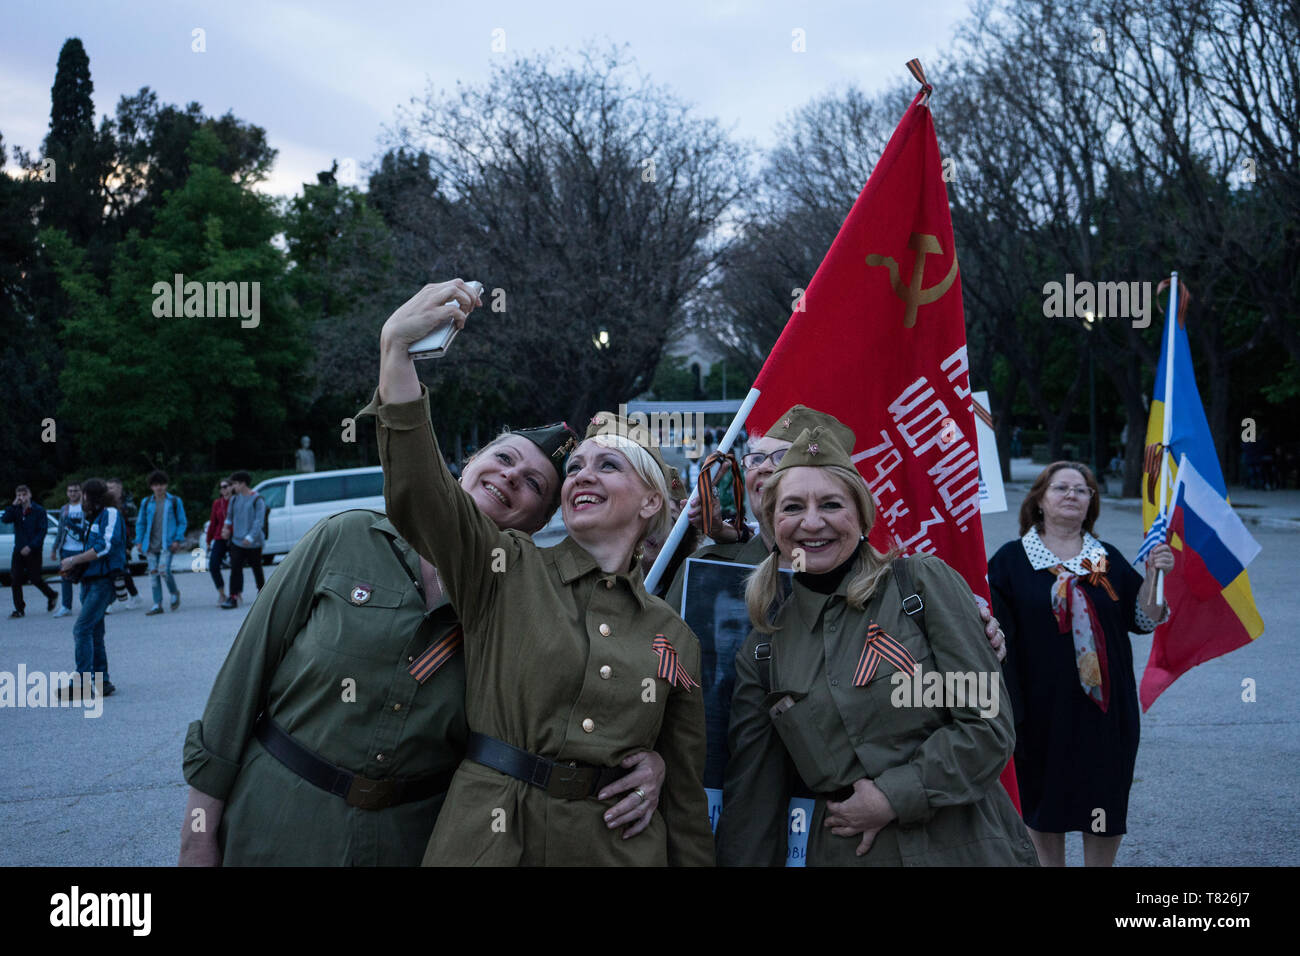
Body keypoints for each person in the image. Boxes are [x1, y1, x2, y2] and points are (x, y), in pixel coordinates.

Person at [181, 423, 668, 865]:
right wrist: (198, 833)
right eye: (502, 458)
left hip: (411, 838)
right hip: (280, 817)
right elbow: (241, 680)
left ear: (538, 524)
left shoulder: (528, 605)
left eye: (536, 483)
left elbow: (566, 715)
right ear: (470, 462)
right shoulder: (345, 538)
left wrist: (647, 761)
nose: (512, 475)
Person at [368, 278, 714, 866]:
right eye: (575, 468)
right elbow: (426, 494)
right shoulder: (507, 565)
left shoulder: (673, 635)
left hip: (615, 850)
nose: (582, 476)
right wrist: (397, 355)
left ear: (651, 503)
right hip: (489, 839)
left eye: (608, 466)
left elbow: (682, 791)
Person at [716, 426, 1037, 866]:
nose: (812, 522)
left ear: (862, 518)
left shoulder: (921, 585)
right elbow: (754, 796)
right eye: (793, 508)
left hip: (965, 847)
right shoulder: (764, 649)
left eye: (831, 504)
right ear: (773, 525)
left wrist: (892, 796)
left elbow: (988, 727)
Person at [988, 461, 1172, 867]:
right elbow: (992, 636)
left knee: (1103, 798)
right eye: (1061, 488)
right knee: (1042, 802)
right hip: (1037, 710)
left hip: (1105, 712)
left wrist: (1155, 578)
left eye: (1082, 489)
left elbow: (1145, 619)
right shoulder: (1010, 561)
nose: (1072, 494)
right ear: (1039, 501)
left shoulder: (1104, 559)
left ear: (1091, 503)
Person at [57, 478, 126, 699]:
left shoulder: (111, 514)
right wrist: (76, 567)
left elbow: (105, 545)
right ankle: (101, 681)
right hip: (91, 581)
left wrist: (74, 560)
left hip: (103, 582)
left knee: (82, 629)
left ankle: (83, 683)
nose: (82, 499)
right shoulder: (95, 516)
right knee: (95, 632)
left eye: (85, 495)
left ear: (92, 496)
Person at [135, 470, 186, 615]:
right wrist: (139, 541)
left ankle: (174, 592)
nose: (159, 487)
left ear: (166, 485)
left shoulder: (174, 501)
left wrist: (177, 539)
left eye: (162, 484)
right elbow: (141, 523)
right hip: (150, 545)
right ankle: (157, 604)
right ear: (151, 486)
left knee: (164, 570)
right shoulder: (146, 503)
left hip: (167, 544)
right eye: (156, 485)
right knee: (153, 574)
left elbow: (182, 522)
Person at [4, 485, 57, 618]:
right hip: (18, 550)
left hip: (33, 550)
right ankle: (19, 609)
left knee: (35, 578)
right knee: (15, 579)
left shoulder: (38, 510)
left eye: (24, 494)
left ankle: (51, 595)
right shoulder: (16, 510)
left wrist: (31, 546)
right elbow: (5, 519)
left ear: (30, 495)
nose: (22, 497)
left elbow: (42, 531)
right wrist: (13, 505)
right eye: (19, 495)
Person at [220, 472, 267, 609]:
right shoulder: (234, 499)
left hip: (254, 542)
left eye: (235, 483)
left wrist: (250, 537)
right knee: (235, 568)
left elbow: (259, 521)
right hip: (237, 541)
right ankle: (233, 597)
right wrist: (226, 528)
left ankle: (263, 594)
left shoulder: (257, 499)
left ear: (243, 483)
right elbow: (229, 517)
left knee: (257, 569)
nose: (232, 486)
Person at [50, 481, 87, 618]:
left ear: (81, 492)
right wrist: (54, 548)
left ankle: (86, 606)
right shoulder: (64, 509)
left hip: (82, 550)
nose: (73, 493)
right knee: (65, 579)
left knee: (85, 579)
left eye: (75, 490)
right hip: (66, 549)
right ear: (67, 493)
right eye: (70, 491)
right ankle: (66, 606)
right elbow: (60, 530)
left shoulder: (85, 507)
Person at [105, 479, 142, 610]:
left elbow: (135, 527)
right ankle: (134, 595)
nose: (109, 490)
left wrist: (129, 546)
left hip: (123, 544)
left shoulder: (128, 506)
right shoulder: (105, 505)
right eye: (107, 487)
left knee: (118, 572)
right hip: (110, 544)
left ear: (119, 489)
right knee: (120, 572)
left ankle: (110, 601)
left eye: (112, 487)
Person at [205, 479, 233, 605]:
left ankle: (235, 594)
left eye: (226, 486)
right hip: (219, 537)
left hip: (234, 537)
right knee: (213, 565)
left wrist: (229, 531)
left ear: (231, 487)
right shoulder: (217, 503)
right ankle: (221, 593)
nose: (224, 489)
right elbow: (213, 522)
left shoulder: (236, 501)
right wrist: (208, 540)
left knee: (236, 566)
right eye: (221, 487)